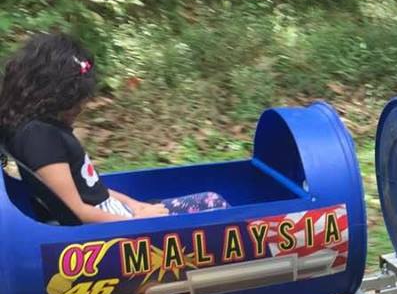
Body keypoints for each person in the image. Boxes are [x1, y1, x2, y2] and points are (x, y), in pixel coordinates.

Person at [0, 33, 228, 223]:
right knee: (214, 205)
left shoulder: (36, 130)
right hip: (114, 229)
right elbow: (76, 211)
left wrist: (136, 205)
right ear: (55, 94)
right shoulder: (40, 138)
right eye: (77, 98)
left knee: (211, 199)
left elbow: (93, 191)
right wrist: (138, 221)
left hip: (119, 214)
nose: (83, 105)